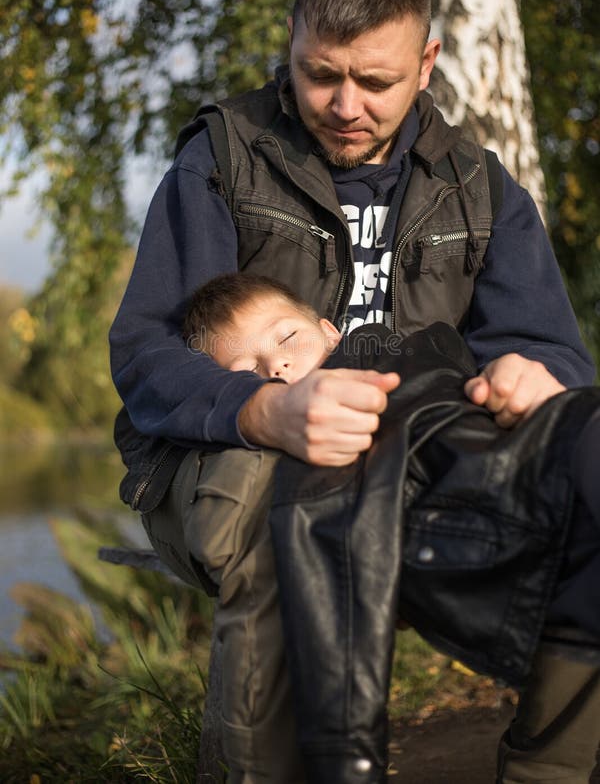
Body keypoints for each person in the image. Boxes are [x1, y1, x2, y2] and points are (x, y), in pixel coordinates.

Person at [109, 0, 598, 783]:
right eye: (318, 73)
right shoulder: (221, 159)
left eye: (374, 81)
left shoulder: (480, 186)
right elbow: (146, 349)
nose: (343, 105)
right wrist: (259, 408)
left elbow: (552, 347)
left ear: (428, 62)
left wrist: (531, 371)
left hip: (414, 456)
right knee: (285, 515)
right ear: (291, 40)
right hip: (232, 452)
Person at [182, 270, 600, 783]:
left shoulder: (410, 349)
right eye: (249, 371)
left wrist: (512, 374)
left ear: (331, 331)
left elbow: (494, 377)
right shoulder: (312, 457)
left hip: (540, 451)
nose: (280, 365)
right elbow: (333, 590)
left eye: (288, 337)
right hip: (486, 522)